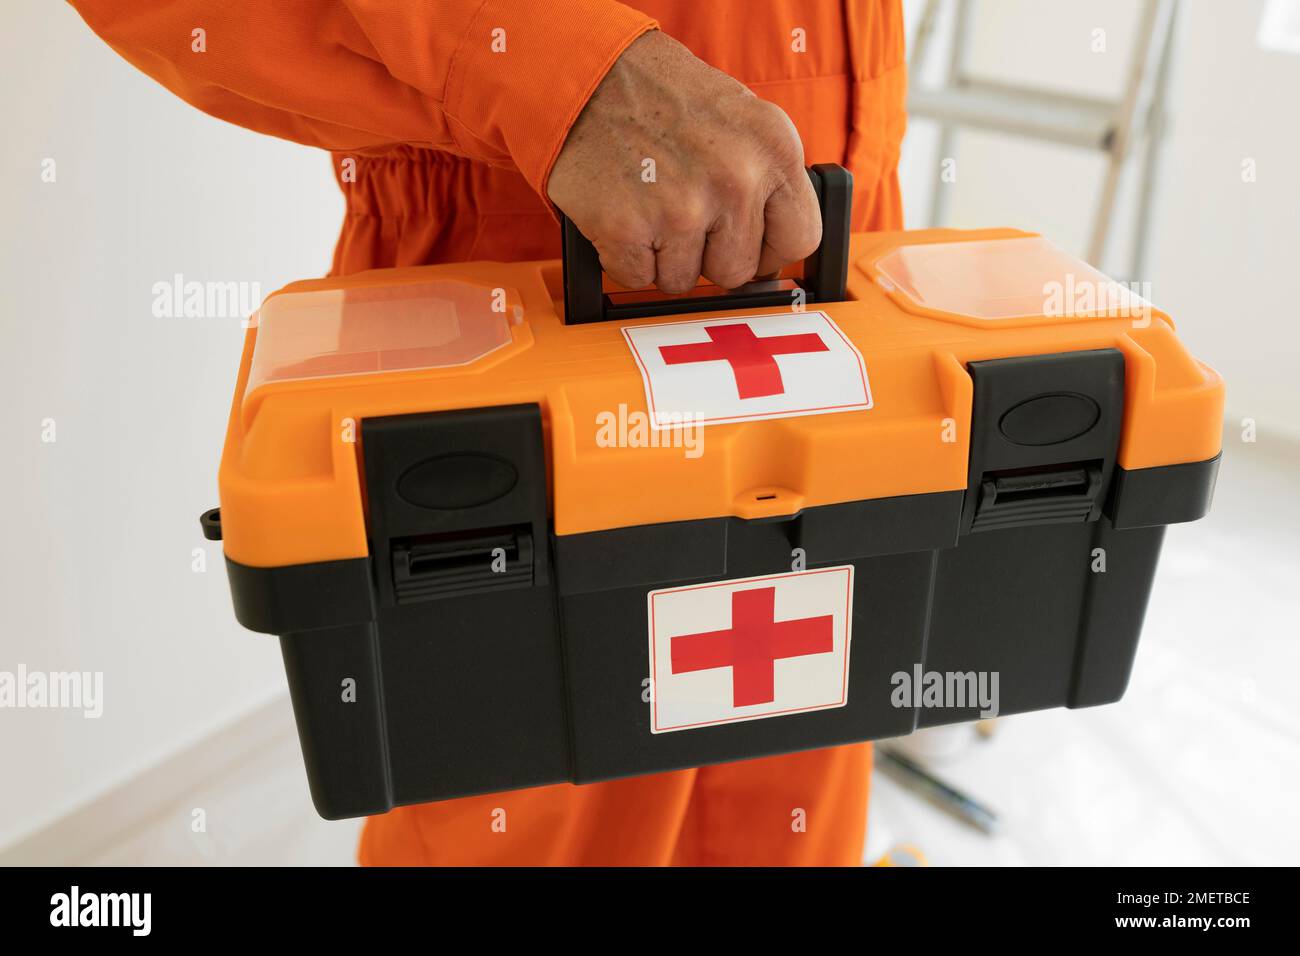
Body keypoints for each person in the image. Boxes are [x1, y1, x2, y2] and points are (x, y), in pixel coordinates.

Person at [71, 0, 907, 866]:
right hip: (512, 278)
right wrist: (567, 76)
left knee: (797, 761)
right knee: (525, 803)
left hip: (832, 257)